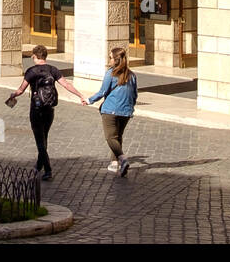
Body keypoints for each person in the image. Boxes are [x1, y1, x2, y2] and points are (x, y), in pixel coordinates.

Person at [7, 45, 86, 181]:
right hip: (49, 109)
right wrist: (80, 95)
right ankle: (39, 165)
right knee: (44, 137)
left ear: (34, 56)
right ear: (45, 56)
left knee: (39, 140)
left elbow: (21, 90)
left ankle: (48, 169)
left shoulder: (31, 71)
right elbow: (66, 84)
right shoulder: (53, 70)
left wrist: (13, 95)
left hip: (36, 110)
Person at [87, 45, 137, 176]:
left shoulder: (111, 73)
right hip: (126, 111)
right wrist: (130, 106)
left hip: (111, 110)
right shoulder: (132, 75)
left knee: (110, 137)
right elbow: (135, 94)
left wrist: (89, 100)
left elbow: (103, 91)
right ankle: (114, 163)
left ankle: (122, 159)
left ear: (115, 60)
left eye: (110, 58)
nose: (109, 60)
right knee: (117, 136)